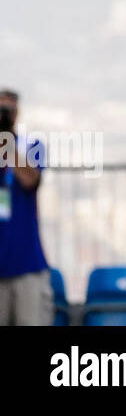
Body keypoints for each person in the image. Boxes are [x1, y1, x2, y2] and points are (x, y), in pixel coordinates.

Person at [0, 88, 52, 326]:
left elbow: (31, 180)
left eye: (7, 111)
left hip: (26, 263)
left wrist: (6, 142)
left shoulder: (32, 145)